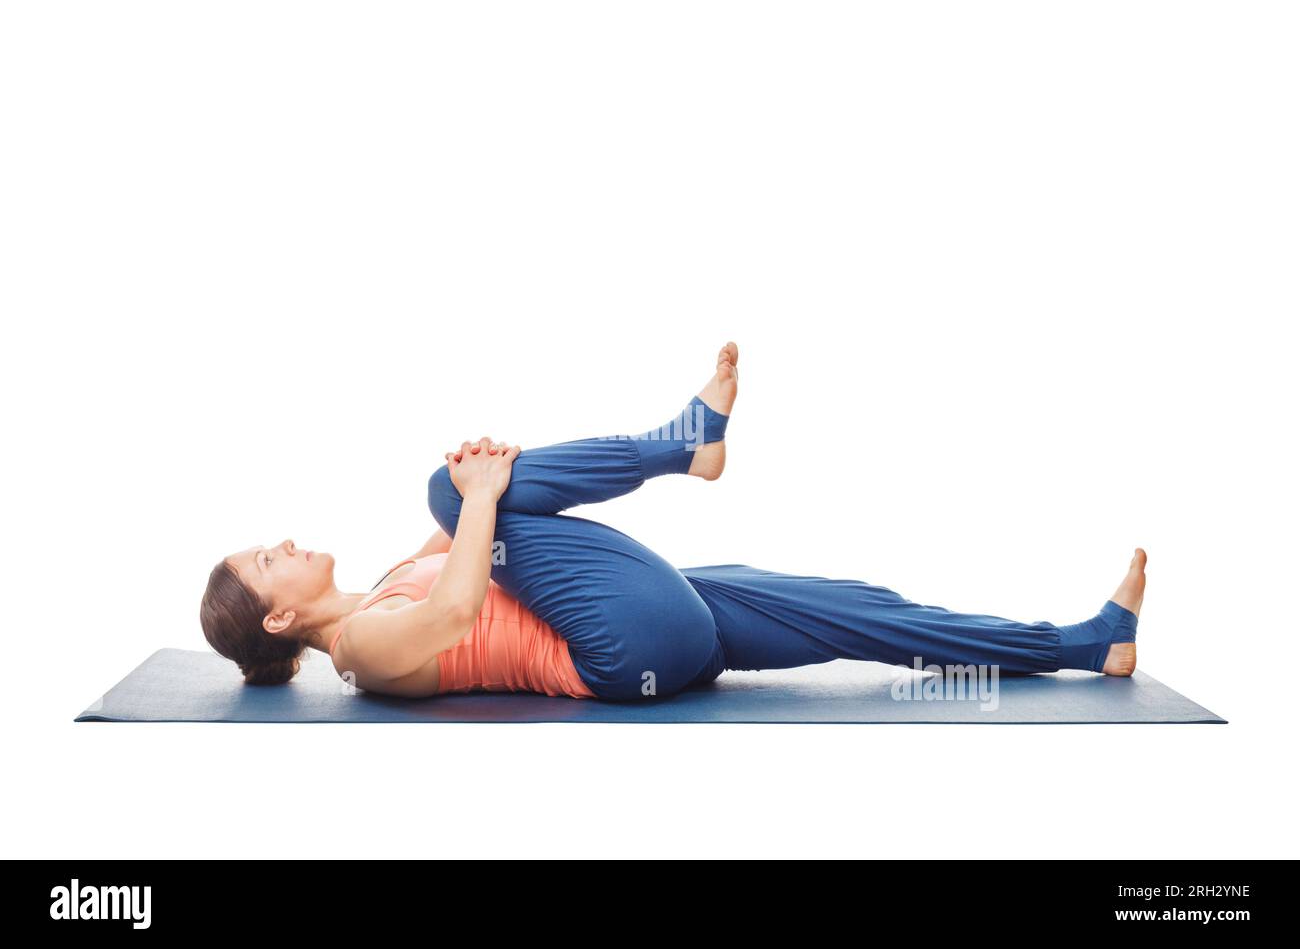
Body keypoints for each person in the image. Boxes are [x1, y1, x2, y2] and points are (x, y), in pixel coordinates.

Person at [200, 343, 1144, 700]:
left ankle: (1083, 644)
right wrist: (473, 492)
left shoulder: (384, 586)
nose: (282, 543)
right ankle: (684, 444)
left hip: (669, 628)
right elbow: (453, 612)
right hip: (618, 652)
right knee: (455, 496)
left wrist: (475, 481)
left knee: (863, 608)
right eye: (266, 562)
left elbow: (472, 537)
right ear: (281, 620)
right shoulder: (362, 647)